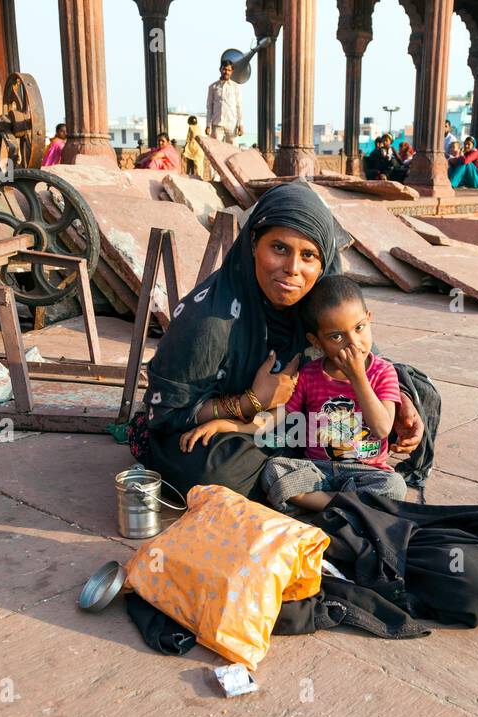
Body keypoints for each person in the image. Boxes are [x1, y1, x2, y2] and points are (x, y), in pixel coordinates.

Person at [132, 181, 428, 501]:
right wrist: (249, 401)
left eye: (308, 255)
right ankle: (309, 487)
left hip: (303, 424)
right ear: (254, 242)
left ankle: (297, 484)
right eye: (280, 248)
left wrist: (399, 399)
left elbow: (363, 355)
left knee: (420, 392)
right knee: (212, 470)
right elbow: (166, 413)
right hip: (236, 427)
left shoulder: (320, 299)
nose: (292, 270)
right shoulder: (208, 319)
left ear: (323, 259)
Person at [186, 276, 409, 512]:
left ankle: (330, 507)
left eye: (359, 328)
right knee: (274, 471)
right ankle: (351, 509)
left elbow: (383, 428)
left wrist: (358, 377)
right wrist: (228, 425)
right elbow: (277, 418)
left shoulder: (383, 372)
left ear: (369, 319)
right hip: (318, 470)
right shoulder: (310, 374)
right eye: (336, 337)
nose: (353, 343)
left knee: (394, 486)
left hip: (367, 472)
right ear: (317, 341)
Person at [205, 58, 243, 143]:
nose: (226, 72)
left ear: (232, 71)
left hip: (232, 124)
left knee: (233, 151)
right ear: (220, 69)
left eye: (229, 70)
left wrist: (241, 124)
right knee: (216, 151)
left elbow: (239, 106)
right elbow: (209, 108)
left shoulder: (235, 87)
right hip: (217, 124)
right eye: (224, 69)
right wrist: (208, 125)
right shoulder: (213, 87)